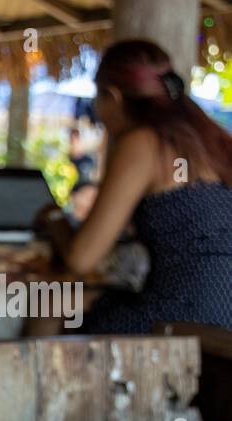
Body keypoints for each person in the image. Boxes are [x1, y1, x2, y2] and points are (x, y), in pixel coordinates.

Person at [35, 39, 232, 333]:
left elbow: (81, 258)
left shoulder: (142, 142)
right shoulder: (212, 140)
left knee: (51, 301)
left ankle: (26, 378)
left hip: (183, 322)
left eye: (97, 101)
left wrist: (52, 215)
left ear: (113, 98)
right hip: (223, 324)